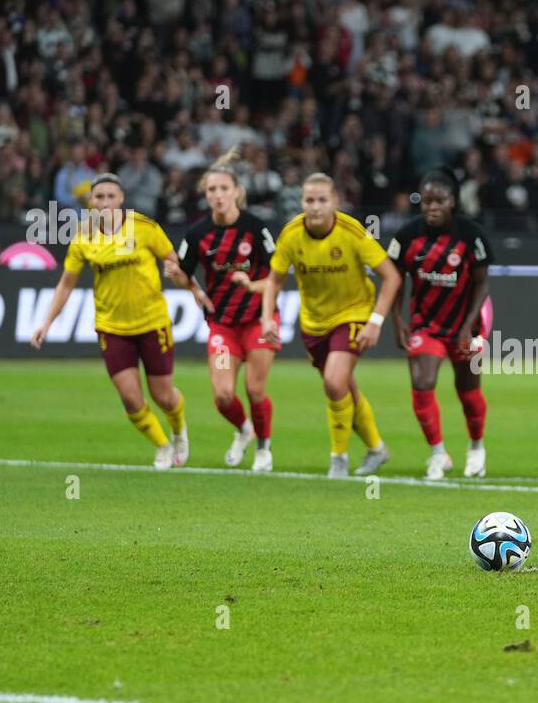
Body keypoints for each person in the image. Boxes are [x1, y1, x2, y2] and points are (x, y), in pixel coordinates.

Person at [30, 174, 190, 469]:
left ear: (121, 199)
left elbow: (174, 261)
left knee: (164, 396)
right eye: (98, 197)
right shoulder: (83, 236)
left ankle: (179, 430)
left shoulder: (144, 227)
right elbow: (66, 283)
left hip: (153, 322)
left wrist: (180, 276)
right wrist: (47, 322)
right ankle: (163, 445)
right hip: (112, 327)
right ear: (91, 202)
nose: (104, 202)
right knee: (131, 398)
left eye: (110, 196)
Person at [259, 173, 403, 477]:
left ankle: (338, 458)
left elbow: (392, 276)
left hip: (353, 314)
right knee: (345, 386)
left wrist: (375, 321)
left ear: (335, 202)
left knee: (334, 383)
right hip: (314, 323)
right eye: (309, 200)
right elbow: (274, 279)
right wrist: (266, 316)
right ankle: (377, 449)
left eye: (322, 200)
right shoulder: (291, 234)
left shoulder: (353, 232)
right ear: (301, 202)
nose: (315, 207)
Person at [164, 148, 280, 471]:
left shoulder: (256, 229)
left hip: (258, 319)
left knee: (256, 390)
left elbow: (277, 276)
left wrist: (252, 286)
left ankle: (263, 448)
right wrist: (187, 285)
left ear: (236, 192)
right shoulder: (197, 234)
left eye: (223, 189)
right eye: (212, 190)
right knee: (224, 396)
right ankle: (244, 430)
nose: (217, 195)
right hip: (223, 325)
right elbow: (184, 274)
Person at [388, 170, 494, 479]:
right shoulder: (406, 236)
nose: (432, 207)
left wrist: (469, 326)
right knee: (422, 383)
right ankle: (438, 454)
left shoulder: (471, 235)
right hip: (425, 325)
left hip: (466, 325)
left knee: (467, 389)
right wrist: (397, 319)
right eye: (426, 200)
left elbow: (482, 284)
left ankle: (476, 448)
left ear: (453, 201)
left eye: (440, 200)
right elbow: (394, 281)